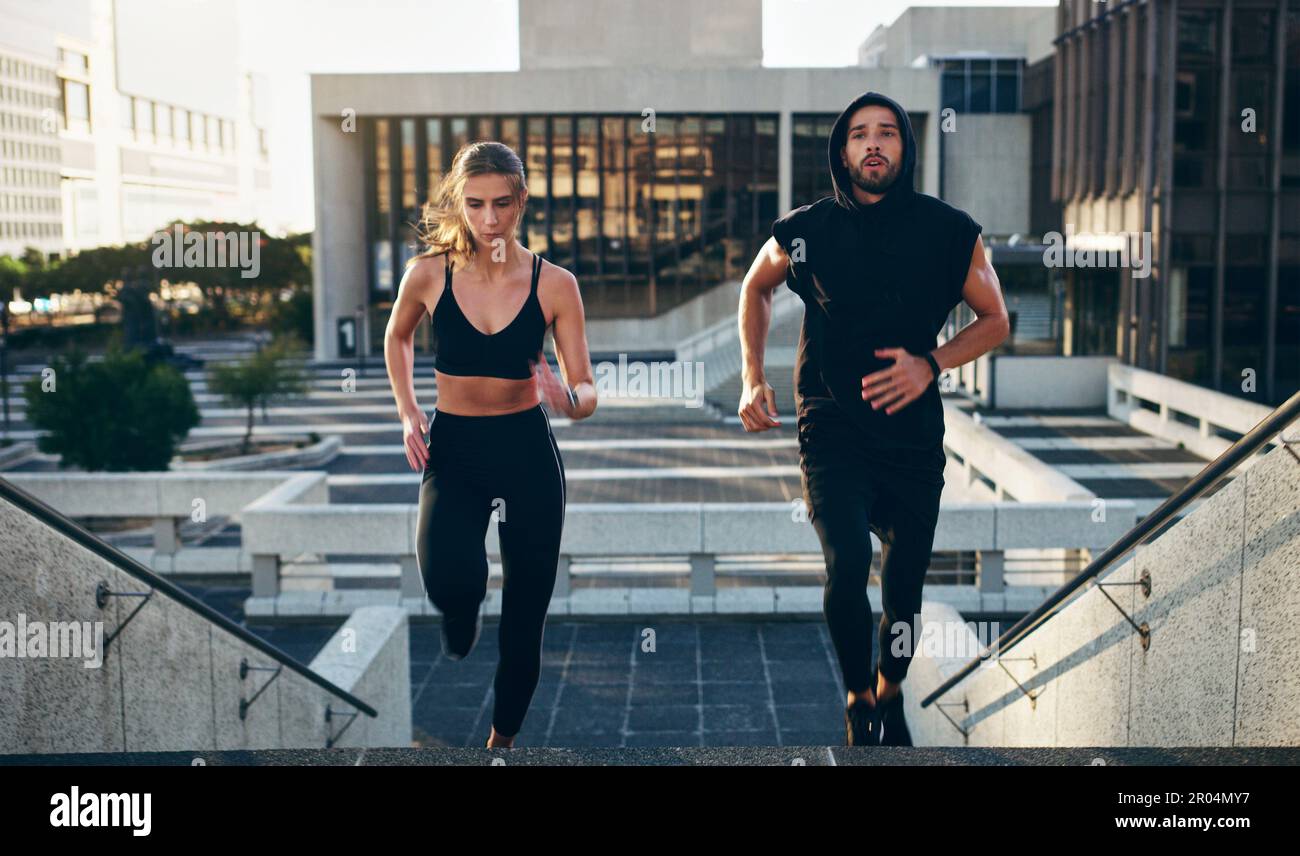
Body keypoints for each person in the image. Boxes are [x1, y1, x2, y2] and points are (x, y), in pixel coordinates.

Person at [736, 91, 1009, 746]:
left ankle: (889, 690)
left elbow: (996, 319)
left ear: (905, 149)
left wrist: (932, 363)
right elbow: (755, 287)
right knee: (849, 558)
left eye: (887, 132)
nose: (873, 144)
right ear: (842, 151)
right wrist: (752, 375)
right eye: (859, 134)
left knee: (906, 585)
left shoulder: (950, 231)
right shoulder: (806, 231)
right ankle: (858, 697)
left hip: (912, 431)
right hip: (829, 422)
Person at [384, 141, 597, 749]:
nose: (489, 219)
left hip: (527, 448)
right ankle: (460, 605)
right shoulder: (428, 273)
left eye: (502, 204)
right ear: (459, 202)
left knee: (526, 617)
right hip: (454, 447)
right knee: (448, 575)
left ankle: (500, 742)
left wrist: (568, 398)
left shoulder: (555, 285)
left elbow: (586, 388)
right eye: (475, 204)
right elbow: (397, 338)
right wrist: (407, 412)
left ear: (521, 201)